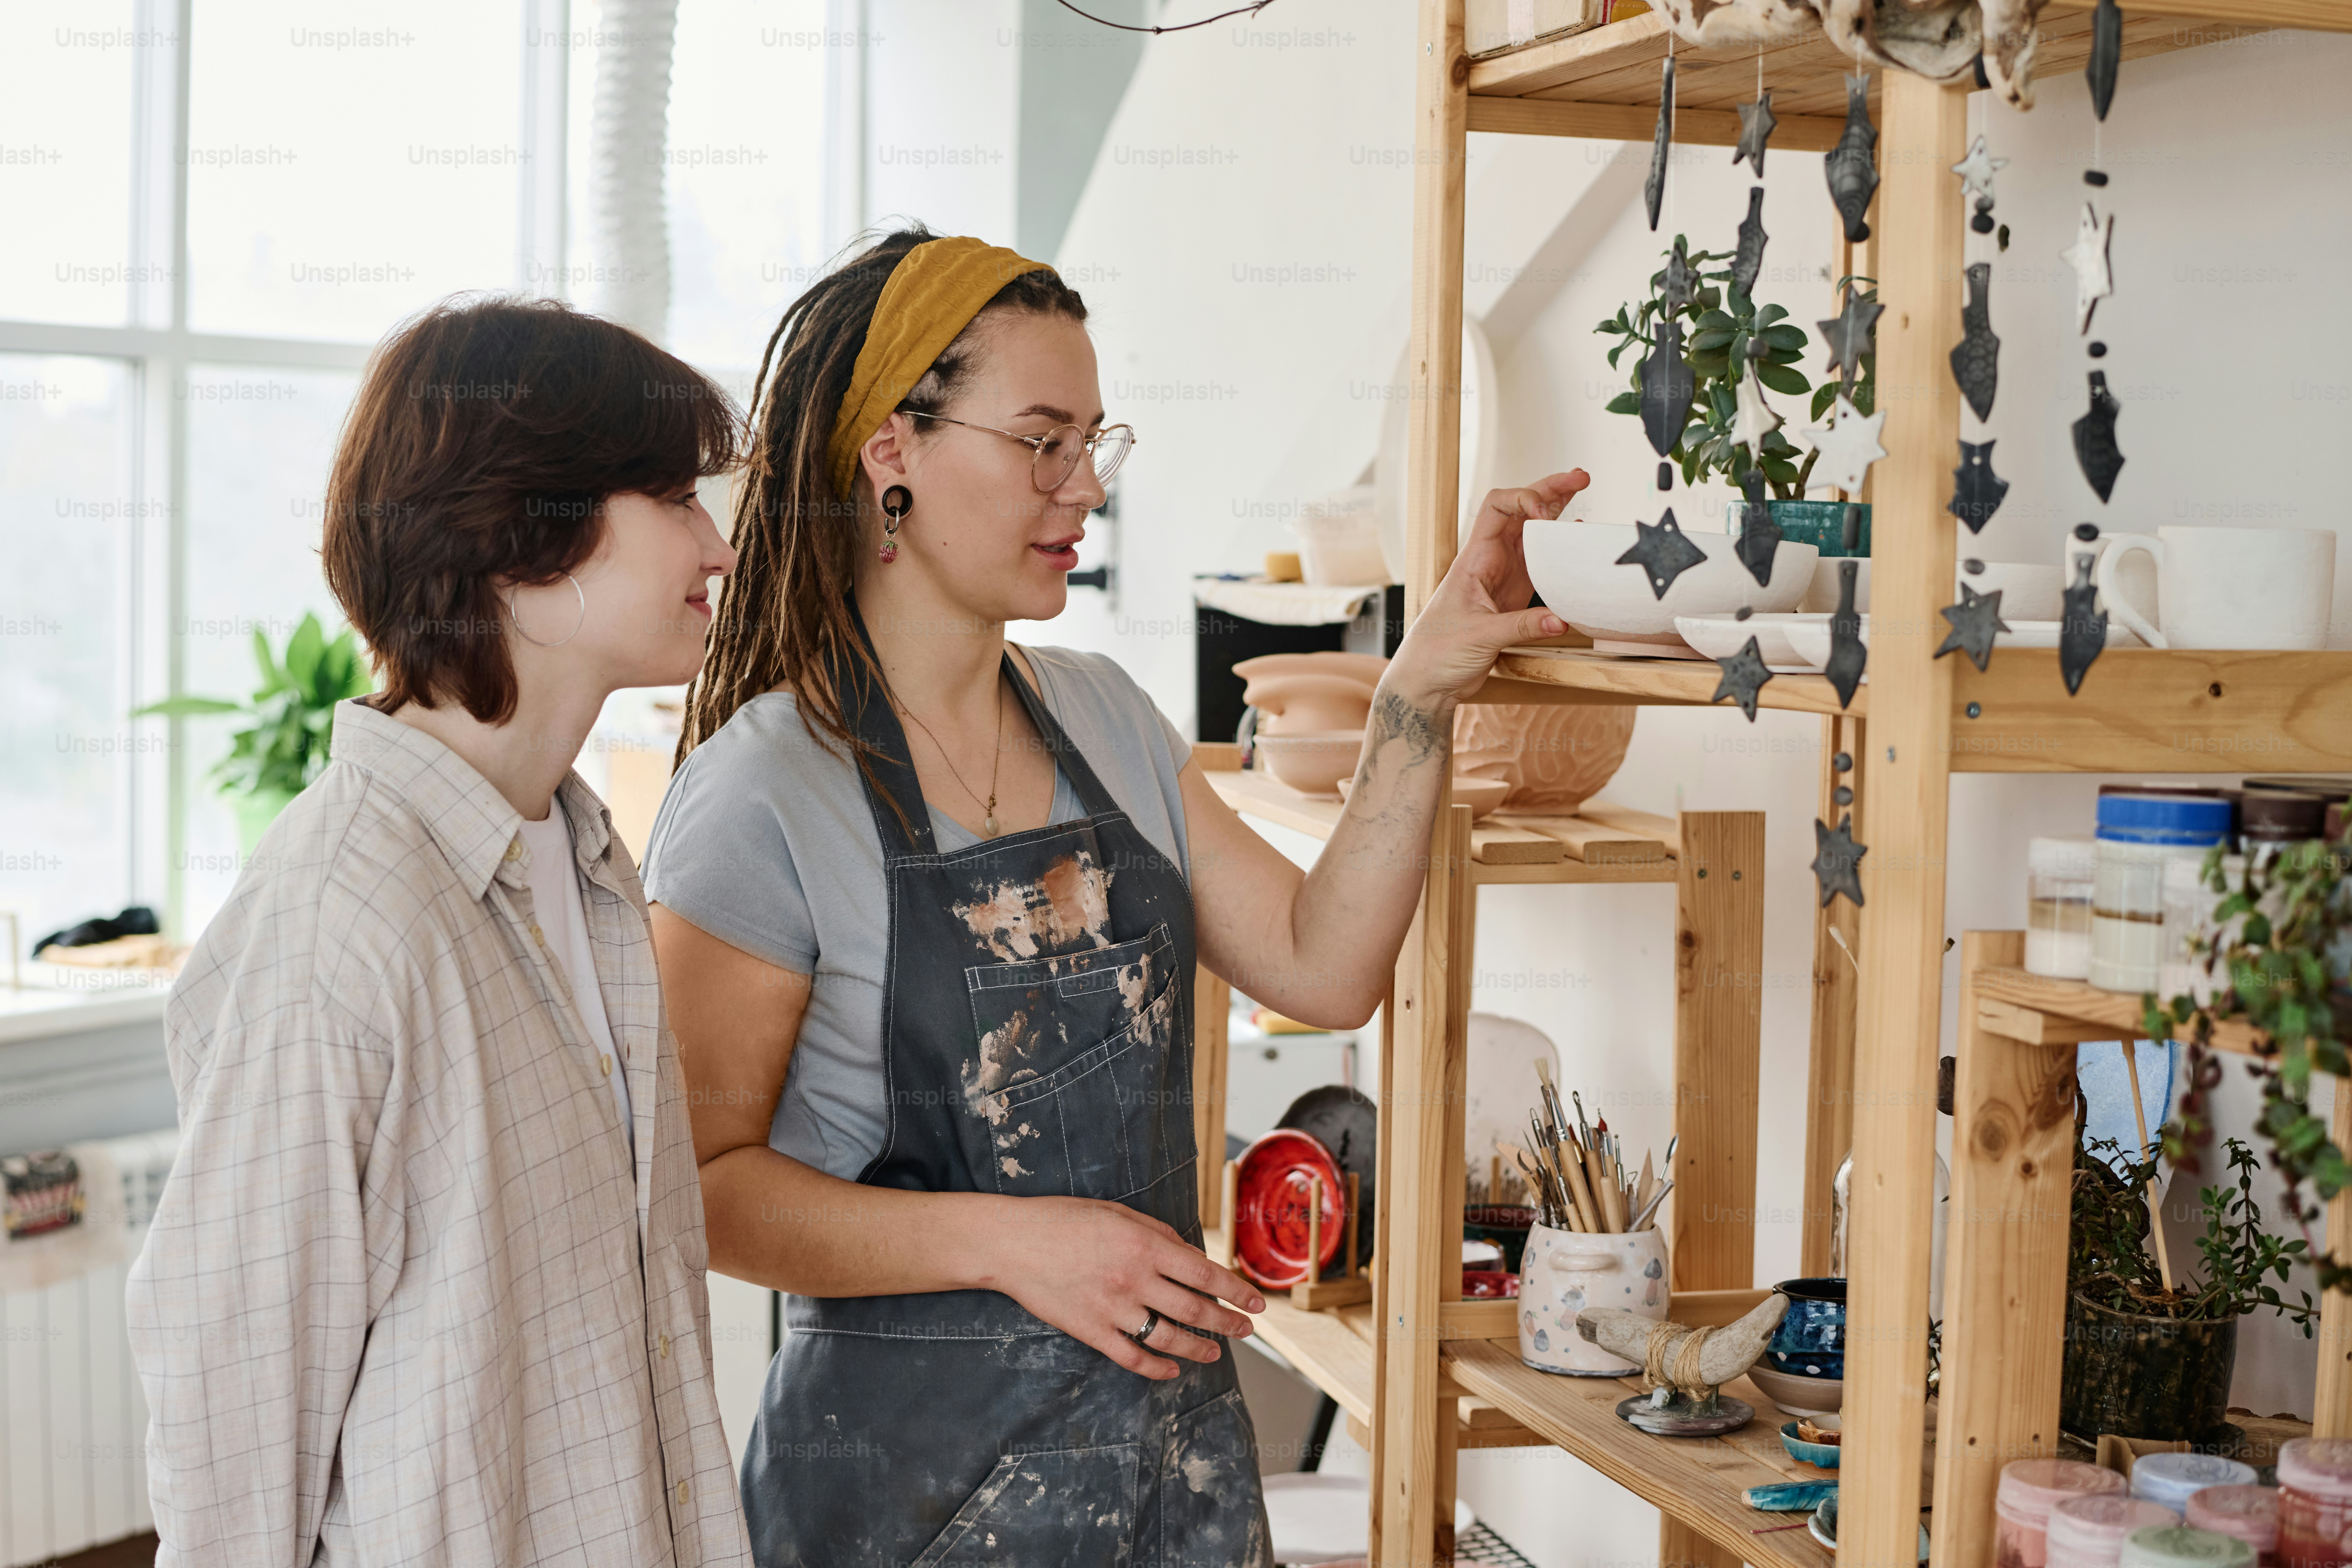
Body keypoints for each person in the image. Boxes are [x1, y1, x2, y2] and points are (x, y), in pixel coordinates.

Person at [644, 224, 1587, 1567]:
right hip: (903, 1506)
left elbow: (1326, 968)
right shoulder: (768, 793)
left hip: (1170, 1489)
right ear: (892, 451)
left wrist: (1415, 697)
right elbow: (702, 1190)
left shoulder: (1107, 719)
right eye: (1042, 440)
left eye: (1097, 440)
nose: (1083, 485)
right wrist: (1020, 1245)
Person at [126, 297, 755, 1567]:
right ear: (530, 532)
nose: (717, 543)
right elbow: (234, 1461)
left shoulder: (585, 870)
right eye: (675, 496)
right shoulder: (336, 923)